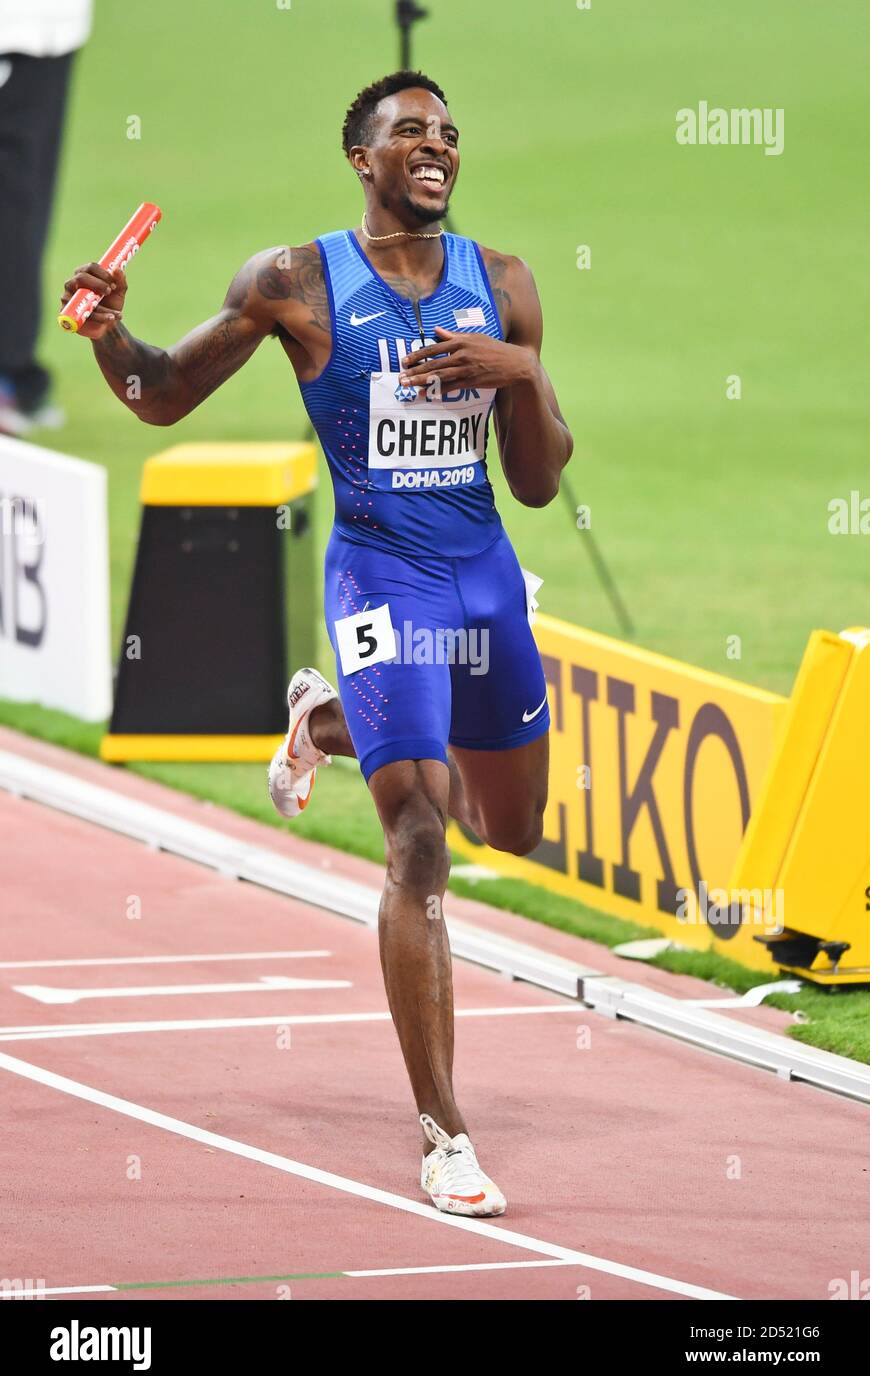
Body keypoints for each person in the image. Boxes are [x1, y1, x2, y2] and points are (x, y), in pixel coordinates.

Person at [60, 70, 573, 1217]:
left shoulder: (506, 284)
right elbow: (159, 394)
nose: (435, 146)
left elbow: (537, 486)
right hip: (380, 577)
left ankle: (322, 719)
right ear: (363, 157)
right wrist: (109, 333)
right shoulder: (293, 283)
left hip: (485, 577)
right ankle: (445, 1134)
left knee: (510, 826)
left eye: (447, 133)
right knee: (422, 844)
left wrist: (523, 374)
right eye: (410, 133)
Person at [0, 0, 92, 434]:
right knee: (17, 195)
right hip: (33, 27)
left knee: (21, 195)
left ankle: (11, 376)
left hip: (34, 28)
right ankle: (10, 376)